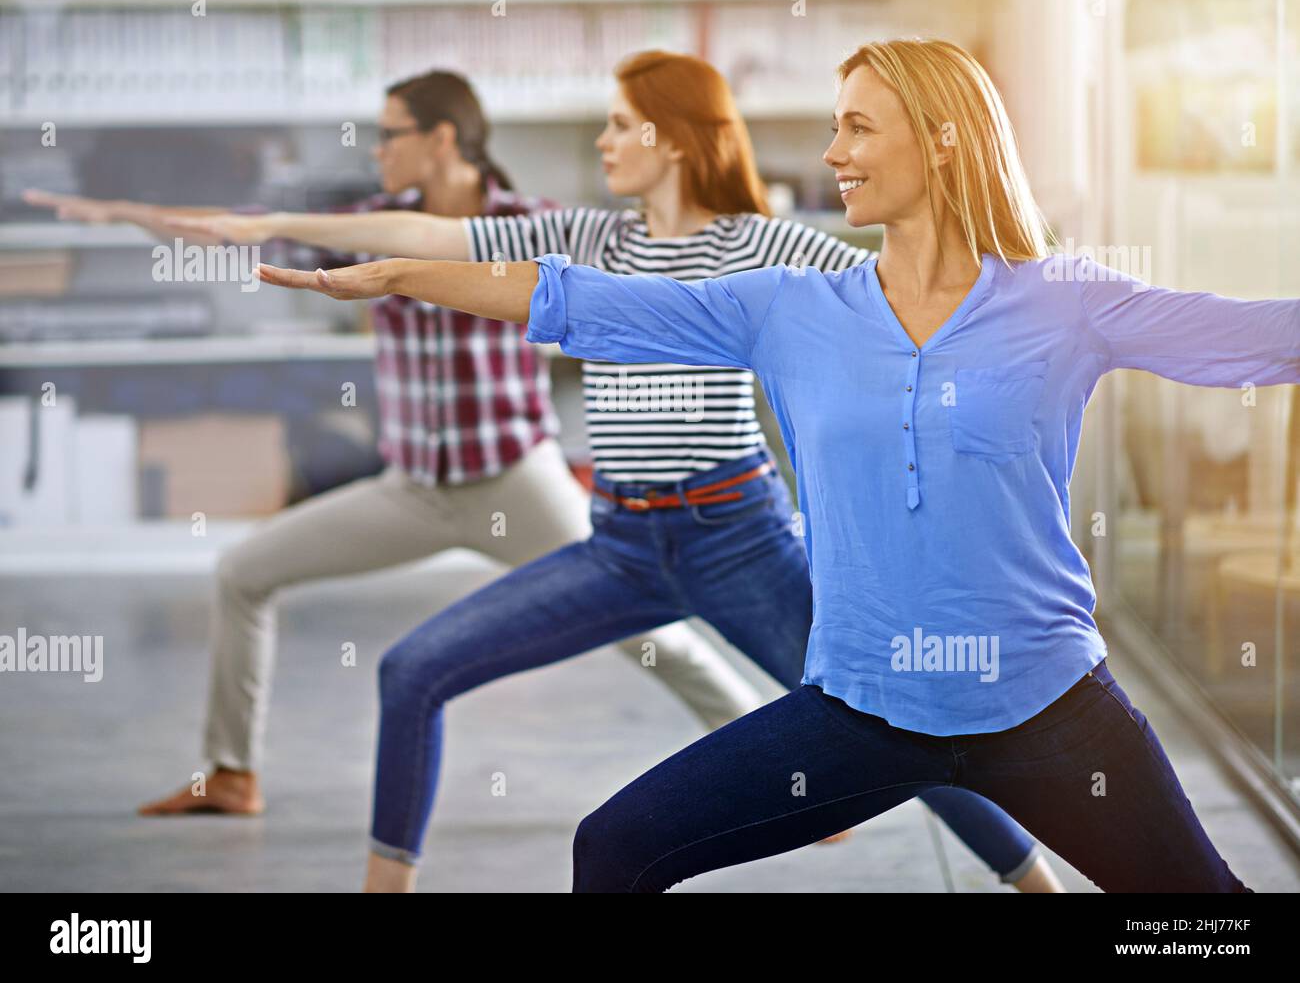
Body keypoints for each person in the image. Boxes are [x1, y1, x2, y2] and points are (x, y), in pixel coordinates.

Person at [204, 49, 1064, 893]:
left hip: (739, 541)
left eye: (620, 125)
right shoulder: (588, 237)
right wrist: (280, 230)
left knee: (898, 715)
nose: (604, 143)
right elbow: (431, 232)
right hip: (618, 544)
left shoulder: (759, 246)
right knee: (411, 670)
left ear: (677, 138)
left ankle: (1035, 882)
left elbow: (909, 290)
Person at [24, 69, 765, 818]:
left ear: (441, 139)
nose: (376, 151)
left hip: (516, 479)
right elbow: (238, 223)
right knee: (242, 573)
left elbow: (663, 284)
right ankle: (230, 773)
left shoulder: (539, 224)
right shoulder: (374, 225)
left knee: (653, 634)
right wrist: (130, 212)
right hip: (411, 489)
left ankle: (773, 767)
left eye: (390, 134)